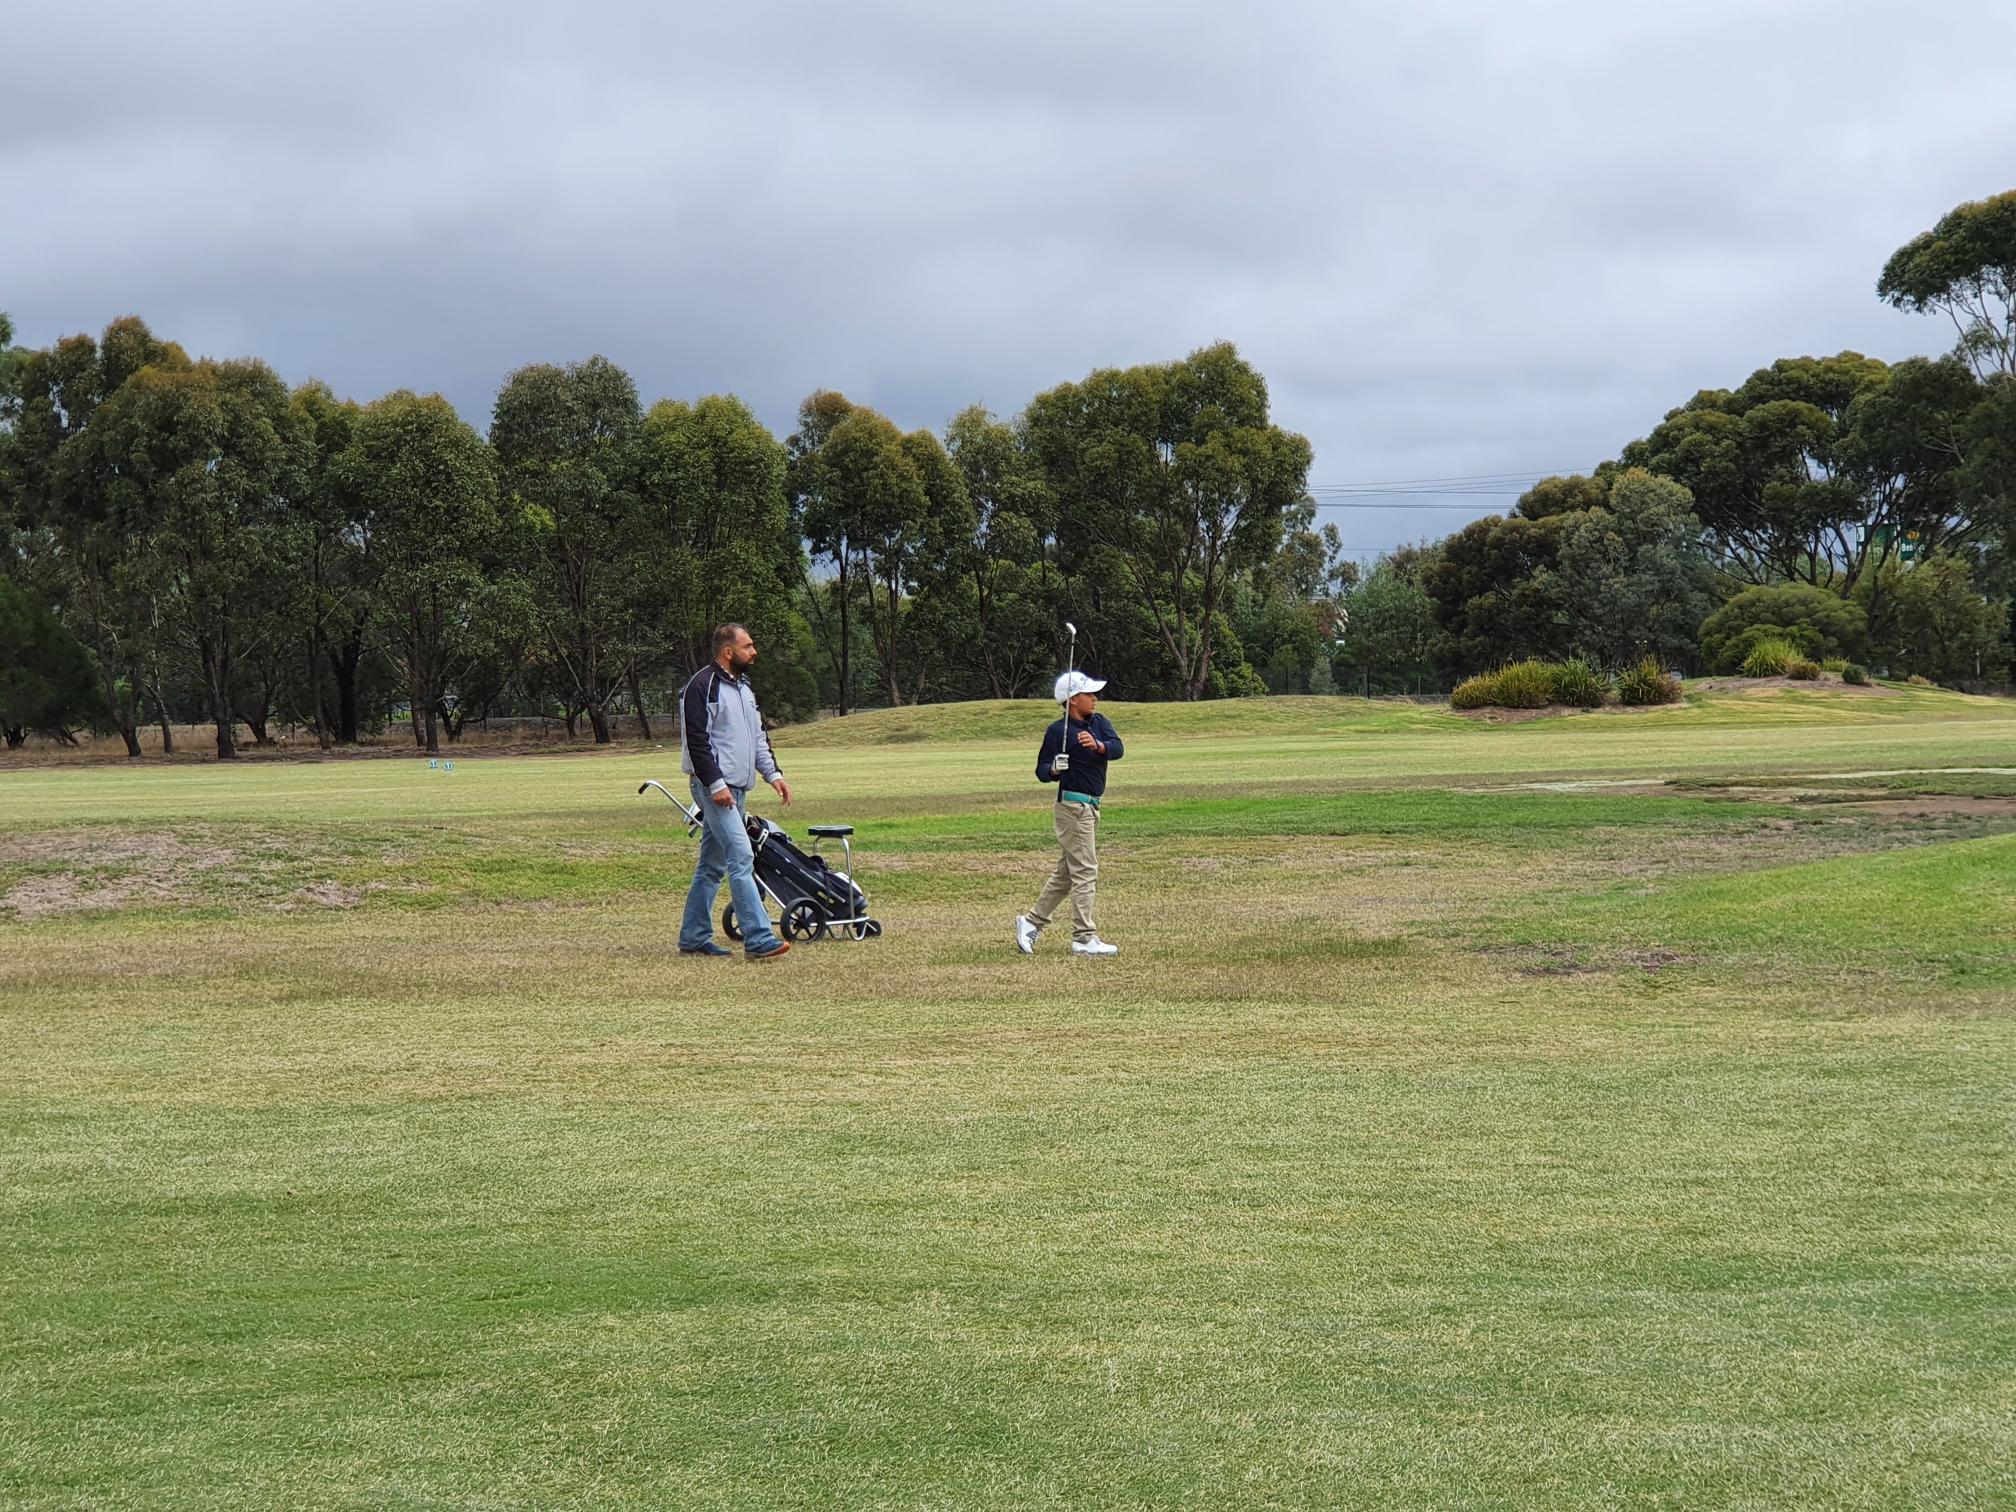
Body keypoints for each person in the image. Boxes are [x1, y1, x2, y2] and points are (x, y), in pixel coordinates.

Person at [678, 623, 794, 961]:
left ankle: (694, 937)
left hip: (736, 790)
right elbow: (697, 742)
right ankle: (758, 939)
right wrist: (716, 785)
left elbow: (757, 737)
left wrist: (774, 774)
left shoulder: (743, 687)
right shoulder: (701, 687)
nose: (753, 652)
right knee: (742, 856)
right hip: (715, 788)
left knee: (711, 865)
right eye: (748, 646)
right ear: (728, 651)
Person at [1015, 671, 1123, 956]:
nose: (1095, 698)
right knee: (1086, 870)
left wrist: (1097, 746)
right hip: (1072, 807)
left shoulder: (1099, 723)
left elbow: (1117, 748)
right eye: (1089, 694)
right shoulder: (1057, 731)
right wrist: (1054, 769)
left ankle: (1030, 922)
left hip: (1091, 806)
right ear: (1073, 700)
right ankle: (1084, 937)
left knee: (1067, 873)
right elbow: (1041, 770)